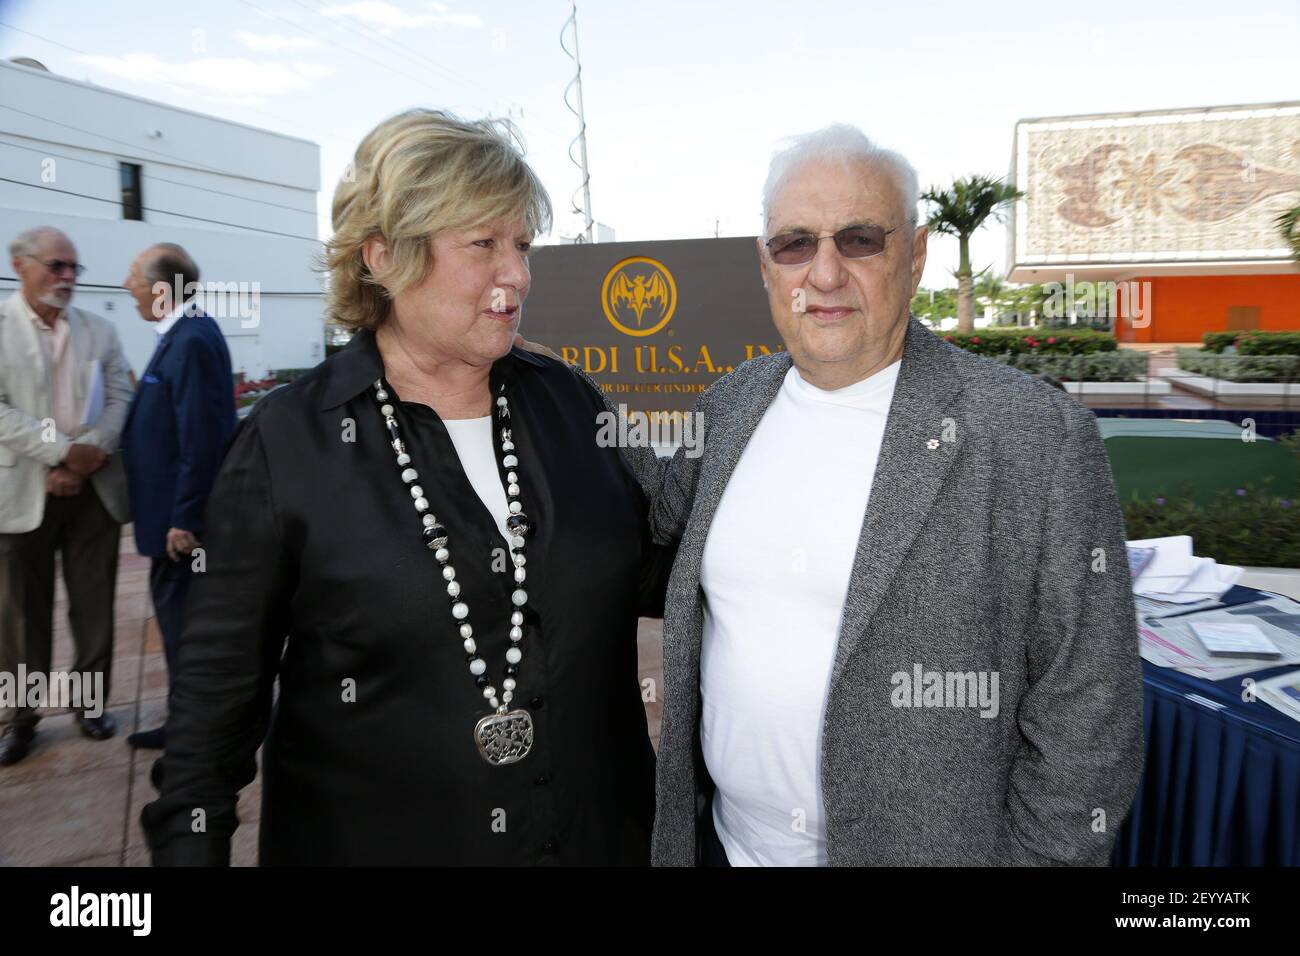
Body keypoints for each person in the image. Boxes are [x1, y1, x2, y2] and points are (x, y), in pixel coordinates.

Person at [142, 109, 670, 865]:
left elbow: (650, 570)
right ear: (384, 256)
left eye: (521, 244)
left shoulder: (569, 405)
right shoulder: (290, 444)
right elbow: (214, 708)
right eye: (482, 244)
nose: (516, 273)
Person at [648, 125, 1144, 866]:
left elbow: (1091, 712)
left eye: (859, 240)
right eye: (794, 244)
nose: (823, 274)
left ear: (914, 260)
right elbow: (636, 517)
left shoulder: (1034, 435)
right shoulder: (729, 408)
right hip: (723, 848)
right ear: (765, 265)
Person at [0, 226, 133, 765]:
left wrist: (89, 453)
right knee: (18, 616)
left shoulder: (99, 330)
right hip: (21, 491)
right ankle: (19, 719)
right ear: (19, 264)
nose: (67, 277)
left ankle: (90, 706)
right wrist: (60, 453)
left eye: (74, 268)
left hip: (91, 488)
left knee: (93, 604)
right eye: (56, 266)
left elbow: (122, 394)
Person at [120, 243, 237, 750]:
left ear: (162, 289)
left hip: (181, 526)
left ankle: (195, 731)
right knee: (185, 627)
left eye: (134, 278)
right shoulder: (181, 336)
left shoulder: (189, 340)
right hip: (172, 518)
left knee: (186, 629)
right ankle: (197, 722)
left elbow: (202, 437)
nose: (128, 286)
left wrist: (184, 517)